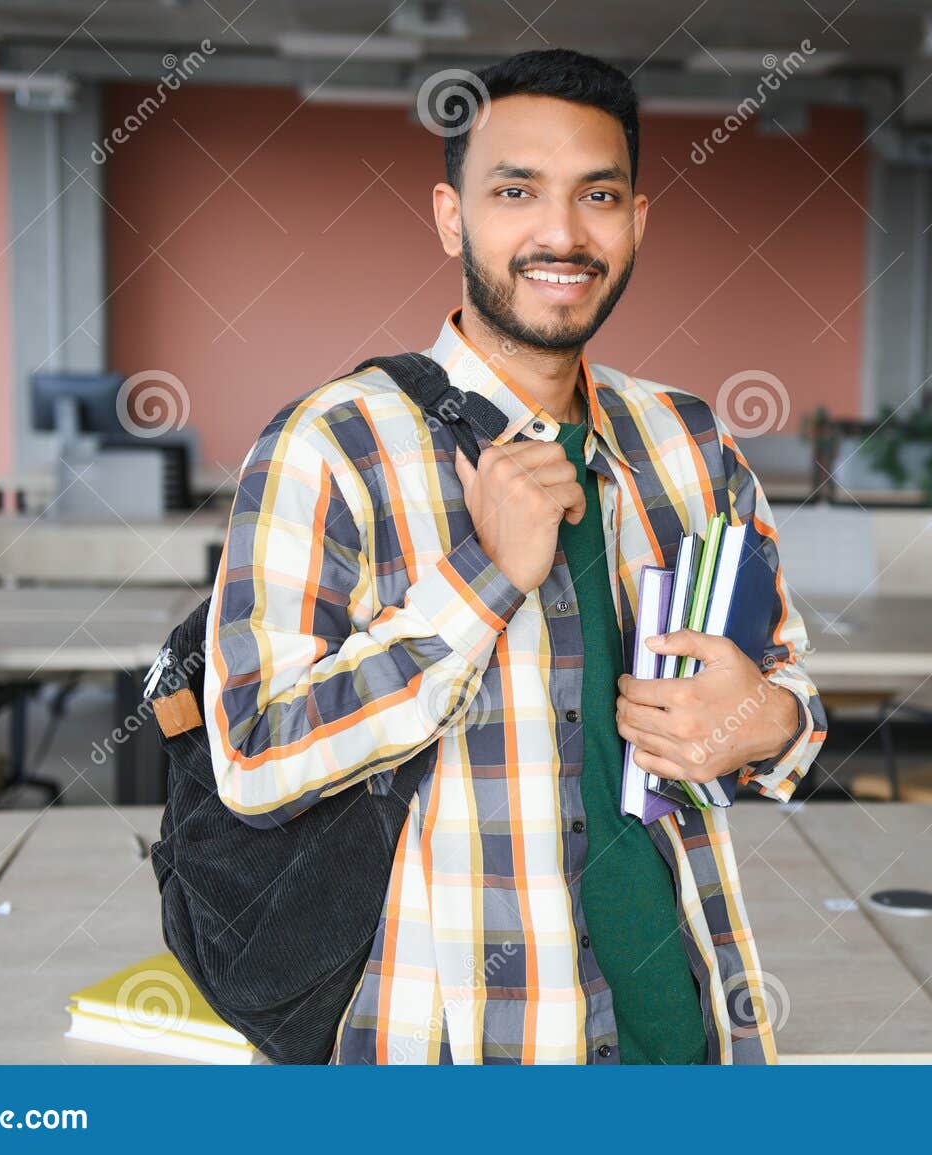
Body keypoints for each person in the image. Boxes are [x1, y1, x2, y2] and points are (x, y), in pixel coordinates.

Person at [204, 47, 826, 1065]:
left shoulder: (687, 440)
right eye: (516, 191)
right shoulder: (334, 444)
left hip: (684, 1016)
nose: (561, 232)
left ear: (637, 222)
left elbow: (786, 690)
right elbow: (254, 756)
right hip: (458, 1044)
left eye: (598, 196)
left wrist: (764, 718)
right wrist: (483, 577)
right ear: (452, 217)